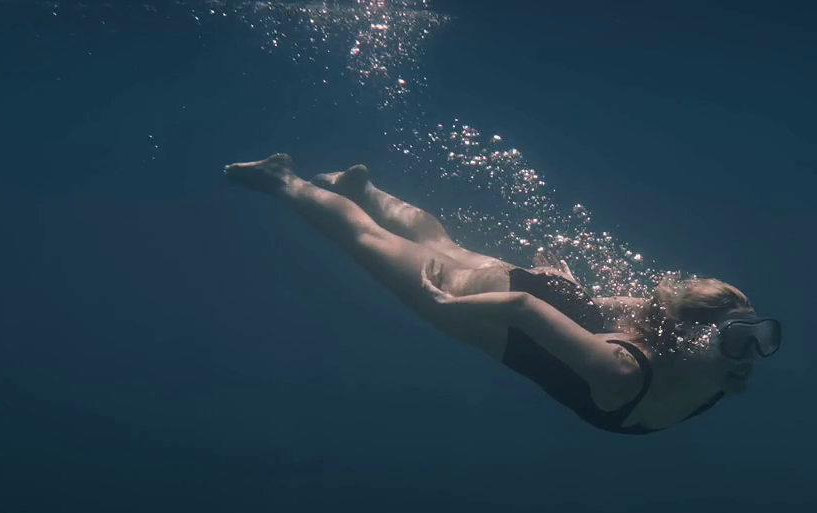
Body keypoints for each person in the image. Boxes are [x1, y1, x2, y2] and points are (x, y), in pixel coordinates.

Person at [224, 154, 780, 434]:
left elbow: (640, 307)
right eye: (737, 340)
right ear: (690, 337)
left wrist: (576, 293)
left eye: (759, 339)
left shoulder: (701, 369)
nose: (751, 358)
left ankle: (361, 187)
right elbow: (520, 308)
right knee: (369, 242)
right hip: (498, 306)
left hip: (548, 298)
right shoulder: (624, 374)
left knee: (444, 243)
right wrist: (447, 306)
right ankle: (282, 179)